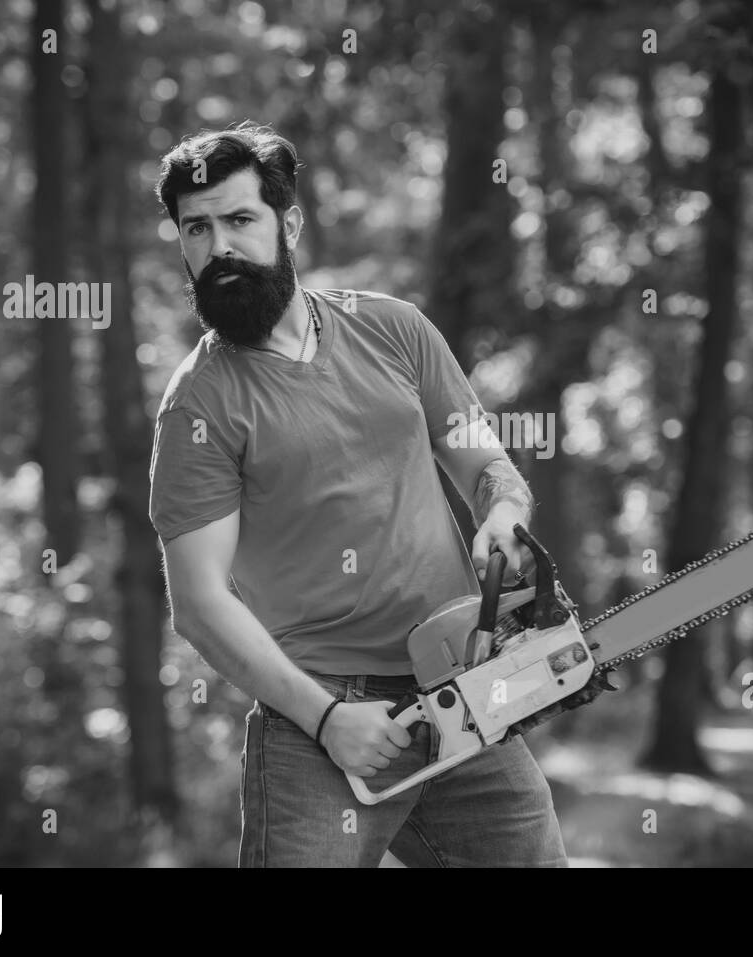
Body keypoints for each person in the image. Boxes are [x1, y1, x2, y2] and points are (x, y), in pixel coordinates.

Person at [147, 122, 567, 867]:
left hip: (462, 688)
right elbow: (200, 604)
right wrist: (327, 717)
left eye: (240, 220)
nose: (220, 248)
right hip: (318, 723)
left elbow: (486, 465)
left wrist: (501, 516)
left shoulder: (394, 329)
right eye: (197, 229)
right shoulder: (198, 407)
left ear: (290, 224)